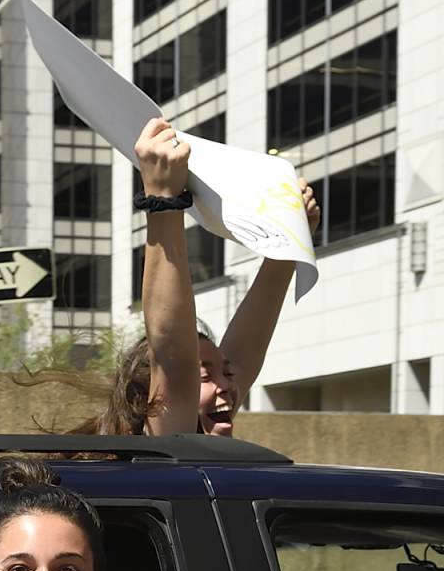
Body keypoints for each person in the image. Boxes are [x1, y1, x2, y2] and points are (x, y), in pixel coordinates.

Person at [76, 118, 322, 438]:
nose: (227, 386)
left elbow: (246, 347)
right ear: (147, 401)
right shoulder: (171, 442)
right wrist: (162, 200)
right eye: (203, 378)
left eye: (226, 372)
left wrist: (292, 238)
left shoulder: (205, 442)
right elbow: (172, 356)